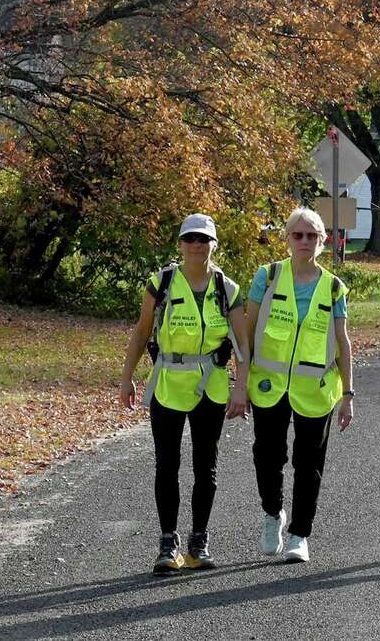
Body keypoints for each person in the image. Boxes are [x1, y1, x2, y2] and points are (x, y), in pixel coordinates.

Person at [120, 213, 251, 575]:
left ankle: (199, 542)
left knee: (206, 466)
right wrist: (126, 378)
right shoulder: (161, 282)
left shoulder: (228, 289)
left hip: (211, 386)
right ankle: (168, 543)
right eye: (190, 239)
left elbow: (243, 344)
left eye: (203, 239)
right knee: (167, 464)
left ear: (214, 245)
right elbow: (141, 332)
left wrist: (241, 388)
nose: (196, 245)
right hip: (168, 384)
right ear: (180, 244)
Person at [239, 207, 354, 563]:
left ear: (322, 241)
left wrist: (348, 394)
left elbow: (343, 342)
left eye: (311, 236)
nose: (304, 241)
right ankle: (272, 513)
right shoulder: (268, 276)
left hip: (315, 390)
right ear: (287, 239)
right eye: (297, 235)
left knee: (309, 463)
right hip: (268, 386)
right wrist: (239, 385)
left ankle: (299, 534)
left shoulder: (333, 287)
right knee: (267, 456)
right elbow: (247, 334)